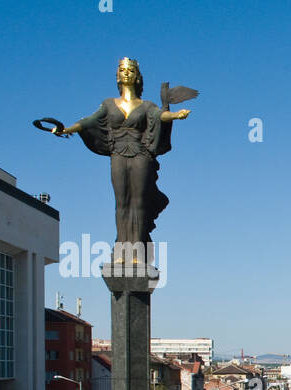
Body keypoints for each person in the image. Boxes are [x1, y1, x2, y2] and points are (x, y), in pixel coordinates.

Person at [52, 58, 193, 253]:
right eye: (122, 70)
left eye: (130, 70)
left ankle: (136, 250)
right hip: (117, 154)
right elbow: (88, 122)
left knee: (138, 201)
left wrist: (176, 115)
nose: (126, 73)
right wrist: (66, 128)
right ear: (118, 76)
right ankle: (121, 250)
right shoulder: (109, 104)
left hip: (140, 155)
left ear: (137, 77)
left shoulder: (146, 105)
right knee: (122, 202)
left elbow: (159, 116)